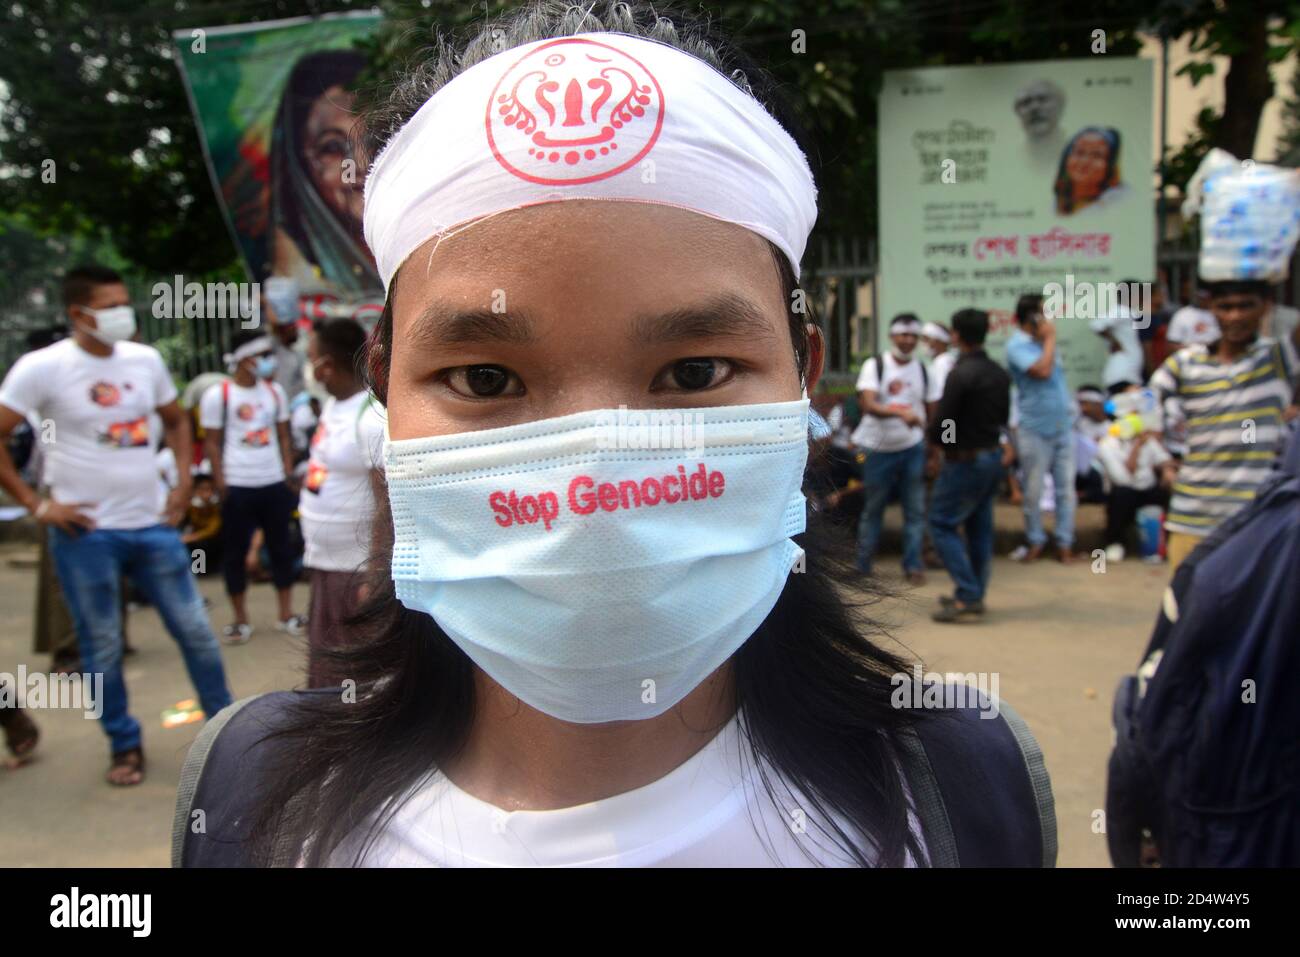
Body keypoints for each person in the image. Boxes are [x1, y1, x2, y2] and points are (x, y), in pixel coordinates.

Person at [175, 1, 1053, 870]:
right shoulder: (253, 800)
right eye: (485, 380)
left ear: (802, 373)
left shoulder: (958, 791)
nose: (594, 471)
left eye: (695, 371)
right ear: (383, 392)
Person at [0, 264, 233, 786]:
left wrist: (177, 484)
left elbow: (175, 420)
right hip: (84, 534)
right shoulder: (42, 368)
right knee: (100, 645)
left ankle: (224, 731)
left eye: (121, 302)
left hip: (152, 526)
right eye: (108, 306)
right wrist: (39, 507)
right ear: (77, 315)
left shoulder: (144, 360)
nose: (121, 314)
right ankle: (124, 745)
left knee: (195, 630)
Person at [1148, 279, 1299, 570]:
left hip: (1256, 520)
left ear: (1265, 307)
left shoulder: (1276, 358)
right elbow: (1142, 403)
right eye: (1225, 307)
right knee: (1188, 613)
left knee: (1251, 615)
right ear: (1210, 308)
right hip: (1191, 517)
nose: (1235, 316)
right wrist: (1163, 461)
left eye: (1246, 306)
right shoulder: (1185, 363)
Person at [200, 330, 305, 641]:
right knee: (234, 552)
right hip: (238, 485)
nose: (268, 362)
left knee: (281, 548)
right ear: (244, 359)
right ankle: (240, 619)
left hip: (273, 482)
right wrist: (222, 484)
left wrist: (286, 473)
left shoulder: (274, 393)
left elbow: (284, 435)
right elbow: (212, 443)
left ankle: (286, 614)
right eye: (262, 356)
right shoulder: (219, 395)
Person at [298, 318, 385, 687]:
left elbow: (387, 504)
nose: (309, 366)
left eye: (311, 357)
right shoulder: (333, 406)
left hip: (353, 570)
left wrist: (374, 577)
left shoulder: (372, 419)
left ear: (328, 364)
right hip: (324, 562)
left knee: (350, 672)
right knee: (326, 663)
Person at [926, 309, 1010, 623]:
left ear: (956, 336)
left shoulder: (960, 374)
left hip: (964, 461)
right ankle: (973, 592)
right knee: (979, 528)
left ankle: (968, 594)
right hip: (991, 457)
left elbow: (942, 424)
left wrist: (936, 440)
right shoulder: (998, 372)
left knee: (941, 523)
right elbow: (1003, 418)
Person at [851, 314, 929, 583]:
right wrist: (901, 415)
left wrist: (937, 445)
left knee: (915, 510)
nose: (907, 340)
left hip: (912, 448)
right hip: (875, 449)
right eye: (902, 334)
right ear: (892, 336)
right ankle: (862, 565)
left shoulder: (922, 369)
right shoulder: (876, 366)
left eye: (913, 336)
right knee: (873, 509)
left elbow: (931, 408)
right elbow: (868, 405)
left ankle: (913, 565)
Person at [1006, 293, 1077, 562]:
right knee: (1033, 491)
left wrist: (1047, 341)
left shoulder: (1045, 343)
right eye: (1044, 314)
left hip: (1062, 426)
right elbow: (1042, 371)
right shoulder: (1017, 346)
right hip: (1034, 429)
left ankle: (1064, 543)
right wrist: (1049, 339)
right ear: (1033, 318)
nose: (1050, 320)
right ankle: (1035, 540)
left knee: (1065, 490)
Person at [1096, 409, 1177, 563]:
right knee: (1123, 495)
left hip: (1147, 489)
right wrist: (1137, 447)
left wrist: (1168, 470)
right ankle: (1116, 543)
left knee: (1168, 493)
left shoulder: (1148, 441)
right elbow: (1123, 479)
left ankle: (1164, 543)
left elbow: (1164, 459)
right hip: (1124, 491)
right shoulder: (1107, 445)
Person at [1054, 127, 1127, 216]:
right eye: (1079, 152)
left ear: (1110, 166)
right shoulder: (1055, 201)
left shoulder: (1119, 202)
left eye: (1097, 155)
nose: (1084, 162)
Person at [1089, 279, 1145, 393]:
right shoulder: (1121, 311)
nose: (1142, 298)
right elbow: (1096, 325)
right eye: (1140, 294)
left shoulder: (1130, 312)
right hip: (1122, 375)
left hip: (1129, 374)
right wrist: (1114, 341)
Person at [1166, 282, 1219, 348]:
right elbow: (1173, 342)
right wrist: (1192, 349)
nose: (1203, 300)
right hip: (1188, 354)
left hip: (1214, 353)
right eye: (1200, 297)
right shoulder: (1182, 314)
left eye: (1206, 297)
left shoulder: (1219, 313)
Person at [920, 321, 956, 402]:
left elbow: (942, 397)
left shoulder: (942, 363)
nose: (922, 343)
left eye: (926, 339)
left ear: (940, 341)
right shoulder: (946, 360)